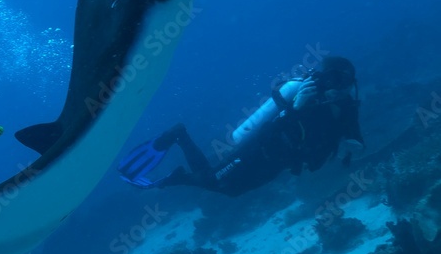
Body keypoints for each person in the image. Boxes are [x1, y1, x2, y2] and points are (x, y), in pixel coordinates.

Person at [118, 56, 364, 197]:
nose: (337, 87)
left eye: (344, 82)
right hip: (259, 150)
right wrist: (295, 108)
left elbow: (354, 138)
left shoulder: (345, 107)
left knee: (230, 190)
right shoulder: (302, 95)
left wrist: (353, 139)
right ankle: (178, 141)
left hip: (280, 162)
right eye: (333, 79)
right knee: (216, 181)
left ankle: (178, 172)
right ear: (323, 76)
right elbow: (272, 129)